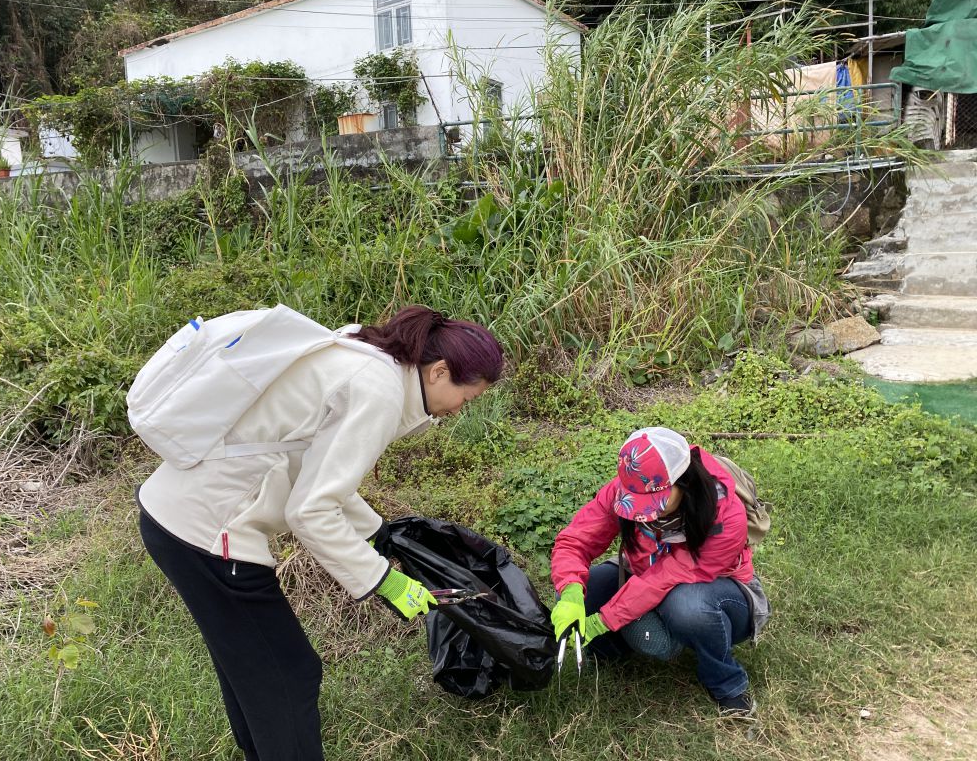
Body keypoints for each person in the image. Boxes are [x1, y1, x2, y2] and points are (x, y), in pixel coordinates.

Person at [136, 306, 503, 761]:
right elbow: (310, 511)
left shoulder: (365, 356)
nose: (459, 410)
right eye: (467, 397)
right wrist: (383, 580)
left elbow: (309, 462)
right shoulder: (378, 390)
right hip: (207, 534)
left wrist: (378, 532)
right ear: (439, 372)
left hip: (179, 517)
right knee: (288, 674)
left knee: (255, 670)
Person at [550, 427, 770, 717]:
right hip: (645, 573)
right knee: (582, 592)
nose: (645, 514)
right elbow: (576, 540)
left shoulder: (725, 516)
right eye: (637, 503)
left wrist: (604, 620)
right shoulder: (628, 487)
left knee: (687, 607)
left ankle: (726, 683)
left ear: (685, 482)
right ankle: (609, 655)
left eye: (656, 501)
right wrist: (570, 592)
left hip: (717, 592)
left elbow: (667, 576)